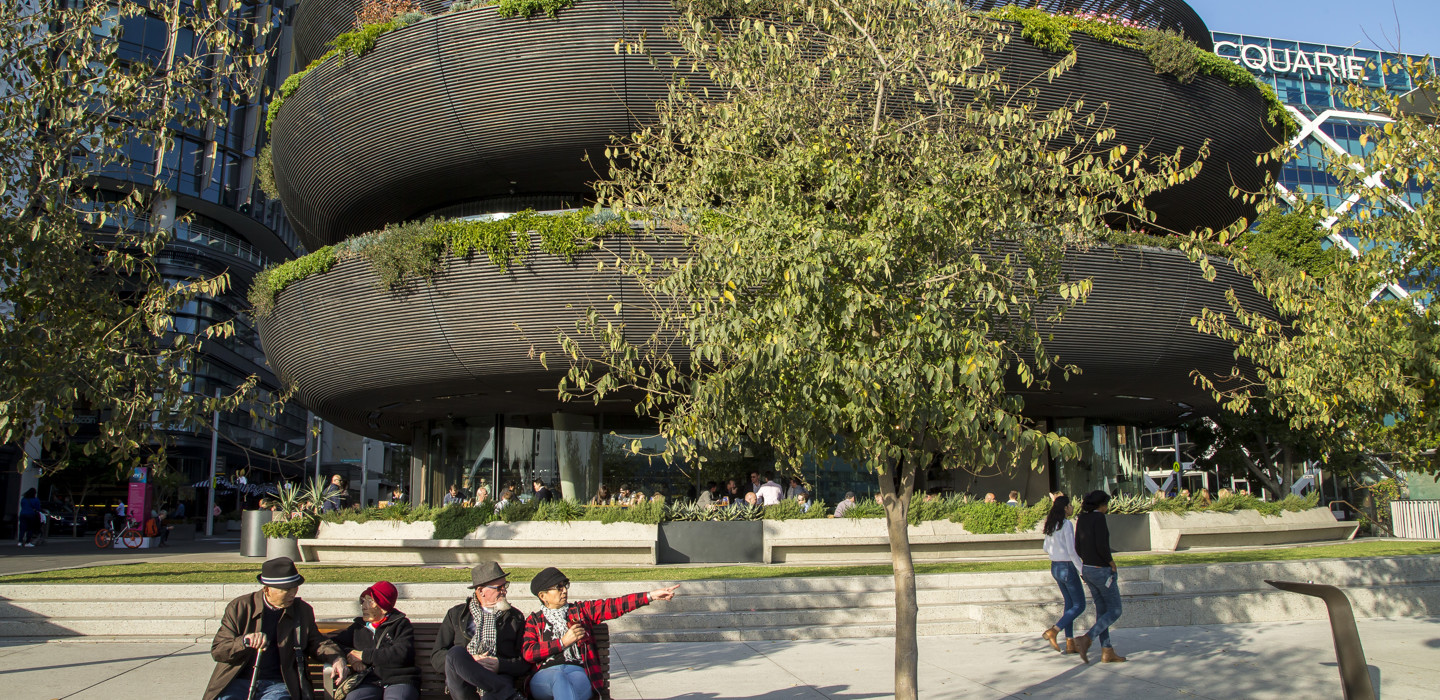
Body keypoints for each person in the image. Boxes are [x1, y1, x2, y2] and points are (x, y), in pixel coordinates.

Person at [522, 567, 679, 700]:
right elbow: (529, 652)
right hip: (546, 676)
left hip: (577, 672)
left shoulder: (580, 611)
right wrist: (563, 642)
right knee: (559, 678)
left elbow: (614, 605)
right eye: (558, 587)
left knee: (565, 683)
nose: (564, 590)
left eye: (565, 585)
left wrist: (650, 596)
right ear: (543, 596)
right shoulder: (535, 621)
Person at [204, 557, 345, 700]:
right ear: (267, 589)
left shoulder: (302, 610)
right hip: (238, 680)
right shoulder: (241, 607)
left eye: (295, 587)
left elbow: (317, 642)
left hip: (278, 683)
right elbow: (219, 650)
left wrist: (336, 657)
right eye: (286, 589)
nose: (293, 593)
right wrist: (244, 642)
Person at [433, 563, 528, 700]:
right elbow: (437, 656)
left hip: (497, 676)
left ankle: (501, 689)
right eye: (499, 588)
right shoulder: (457, 614)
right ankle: (509, 694)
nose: (504, 591)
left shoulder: (514, 617)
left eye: (505, 586)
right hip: (463, 679)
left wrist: (500, 665)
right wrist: (469, 662)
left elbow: (524, 661)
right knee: (456, 653)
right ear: (481, 590)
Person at [332, 581, 420, 700]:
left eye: (370, 601)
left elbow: (402, 653)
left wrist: (364, 655)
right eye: (363, 601)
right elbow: (334, 644)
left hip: (399, 680)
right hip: (368, 680)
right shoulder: (358, 627)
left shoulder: (400, 624)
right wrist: (352, 656)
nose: (364, 606)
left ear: (383, 606)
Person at [1073, 490, 1124, 664]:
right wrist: (1110, 562)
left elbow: (1077, 546)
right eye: (1106, 504)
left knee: (1102, 610)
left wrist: (1087, 559)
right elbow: (1102, 545)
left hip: (1087, 569)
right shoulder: (1099, 519)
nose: (1107, 508)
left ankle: (1107, 650)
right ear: (1101, 505)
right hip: (1101, 569)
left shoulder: (1082, 518)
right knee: (1115, 609)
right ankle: (1088, 638)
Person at [1040, 495, 1085, 656]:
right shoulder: (1066, 525)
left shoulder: (1052, 525)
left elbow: (1046, 547)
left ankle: (1070, 641)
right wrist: (1082, 570)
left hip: (1055, 566)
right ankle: (1055, 630)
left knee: (1070, 603)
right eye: (1070, 505)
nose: (1072, 507)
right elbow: (1072, 551)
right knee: (1080, 605)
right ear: (1065, 508)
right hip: (1067, 566)